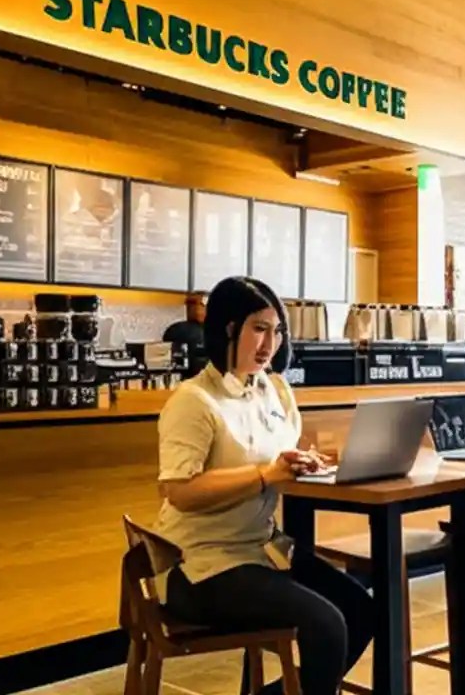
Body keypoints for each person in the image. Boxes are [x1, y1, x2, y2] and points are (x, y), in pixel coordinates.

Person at [155, 277, 372, 695]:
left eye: (277, 331)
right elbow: (179, 491)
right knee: (326, 625)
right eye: (259, 328)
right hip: (200, 565)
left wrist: (300, 463)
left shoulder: (273, 389)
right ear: (227, 328)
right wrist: (264, 476)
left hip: (263, 551)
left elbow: (279, 458)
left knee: (362, 612)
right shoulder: (193, 400)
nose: (269, 343)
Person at [163, 291, 208, 378]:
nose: (196, 309)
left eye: (201, 304)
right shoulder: (177, 330)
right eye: (190, 304)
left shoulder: (217, 331)